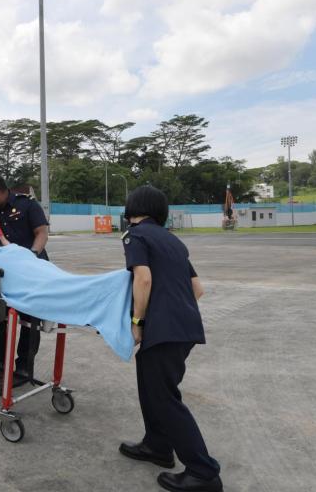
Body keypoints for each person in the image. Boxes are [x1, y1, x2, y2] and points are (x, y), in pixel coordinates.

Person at [118, 185, 223, 492]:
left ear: (133, 208)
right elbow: (197, 289)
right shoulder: (173, 241)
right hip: (184, 327)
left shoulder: (135, 235)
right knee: (152, 388)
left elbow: (144, 277)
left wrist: (137, 321)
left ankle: (204, 472)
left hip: (163, 330)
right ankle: (157, 446)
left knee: (164, 397)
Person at [0, 172, 49, 374]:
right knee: (1, 318)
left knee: (30, 322)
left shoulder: (28, 205)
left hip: (31, 271)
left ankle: (24, 367)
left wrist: (32, 255)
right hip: (5, 274)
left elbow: (42, 233)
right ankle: (3, 363)